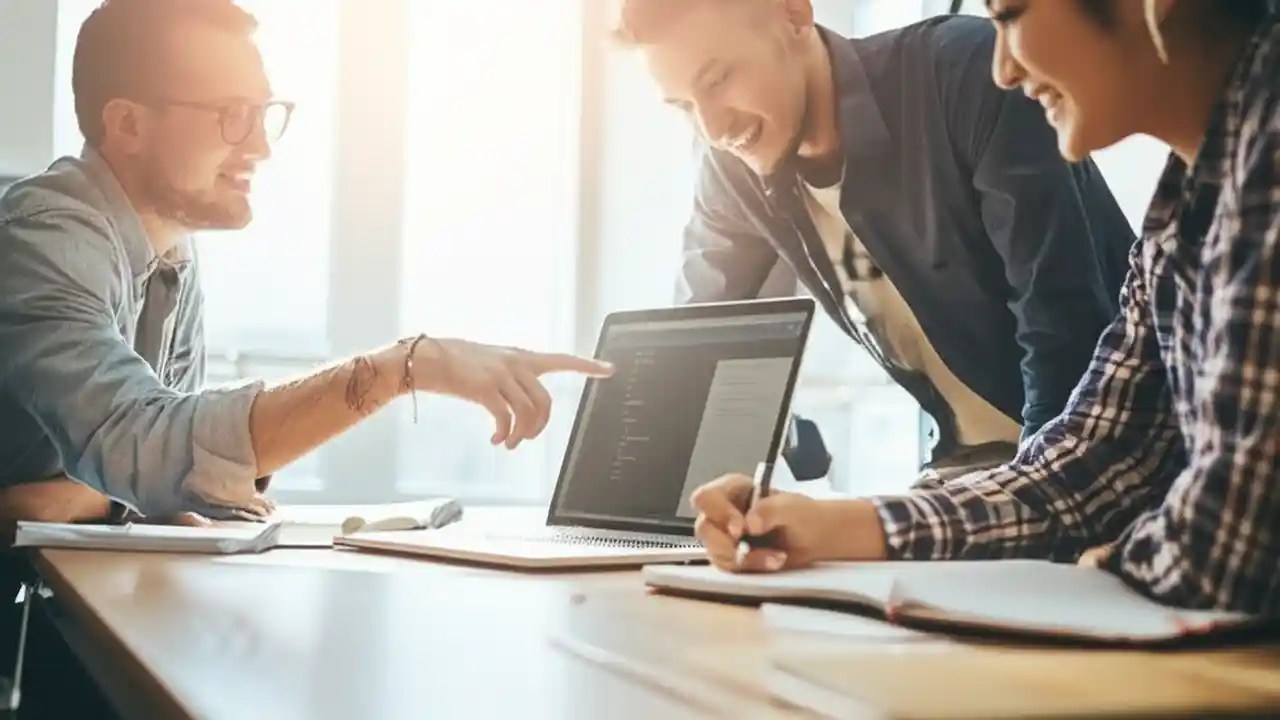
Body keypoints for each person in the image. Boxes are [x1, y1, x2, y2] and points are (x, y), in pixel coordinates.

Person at [691, 0, 1280, 615]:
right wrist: (832, 525)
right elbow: (1087, 466)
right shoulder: (1180, 213)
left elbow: (1229, 550)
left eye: (1011, 14)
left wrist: (1104, 560)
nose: (1002, 68)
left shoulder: (1270, 144)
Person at [0, 0, 613, 529]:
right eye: (230, 115)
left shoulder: (171, 251)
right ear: (128, 124)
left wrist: (93, 497)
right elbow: (153, 455)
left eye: (265, 114)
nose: (261, 146)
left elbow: (164, 478)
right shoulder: (48, 236)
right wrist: (410, 364)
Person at [613, 0, 1136, 483]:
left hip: (1101, 465)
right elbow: (693, 347)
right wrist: (630, 510)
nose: (713, 127)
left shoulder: (965, 73)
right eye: (684, 106)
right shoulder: (731, 167)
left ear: (793, 13)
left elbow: (1064, 333)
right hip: (964, 472)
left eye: (720, 77)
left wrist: (1029, 507)